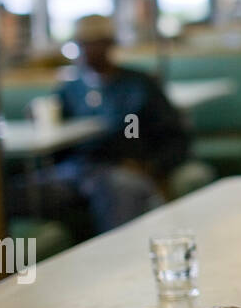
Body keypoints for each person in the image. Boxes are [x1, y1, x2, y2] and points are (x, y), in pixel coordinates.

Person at [50, 14, 191, 235]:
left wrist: (152, 166)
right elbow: (58, 141)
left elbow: (175, 136)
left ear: (110, 44)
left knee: (118, 188)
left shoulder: (138, 85)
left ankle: (117, 262)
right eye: (82, 43)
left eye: (94, 43)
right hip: (76, 170)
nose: (87, 50)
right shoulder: (69, 90)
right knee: (17, 194)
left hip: (123, 169)